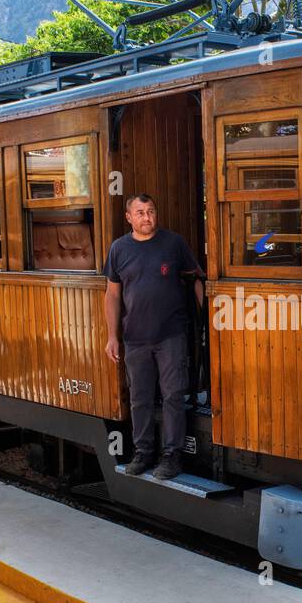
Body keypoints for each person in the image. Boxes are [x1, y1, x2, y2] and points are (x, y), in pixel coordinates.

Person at [104, 193, 204, 481]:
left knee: (173, 395)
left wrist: (205, 319)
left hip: (171, 334)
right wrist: (113, 337)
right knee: (140, 398)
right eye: (140, 212)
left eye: (151, 211)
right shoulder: (119, 249)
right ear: (129, 217)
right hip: (134, 337)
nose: (147, 217)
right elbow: (112, 294)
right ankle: (143, 452)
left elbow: (195, 277)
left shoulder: (174, 243)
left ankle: (172, 456)